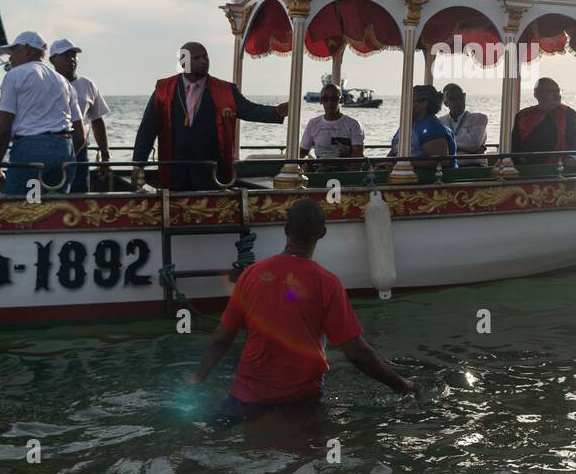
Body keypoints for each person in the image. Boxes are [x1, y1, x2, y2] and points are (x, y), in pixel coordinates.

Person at [189, 198, 414, 424]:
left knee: (213, 436)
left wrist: (199, 377)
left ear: (286, 230)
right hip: (300, 400)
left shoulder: (251, 275)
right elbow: (356, 352)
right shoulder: (327, 283)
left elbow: (221, 338)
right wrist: (400, 384)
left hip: (246, 397)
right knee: (304, 454)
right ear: (323, 233)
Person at [132, 41, 289, 190]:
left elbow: (248, 109)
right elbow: (148, 129)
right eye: (197, 58)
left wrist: (275, 112)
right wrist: (138, 164)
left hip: (213, 174)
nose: (203, 61)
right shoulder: (164, 90)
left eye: (205, 56)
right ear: (183, 62)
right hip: (174, 173)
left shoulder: (225, 90)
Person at [0, 31, 85, 196]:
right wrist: (64, 156)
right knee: (57, 211)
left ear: (26, 49)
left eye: (13, 52)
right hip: (64, 152)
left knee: (21, 208)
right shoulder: (64, 82)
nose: (10, 58)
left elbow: (3, 129)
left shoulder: (15, 76)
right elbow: (80, 135)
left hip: (30, 153)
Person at [50, 38, 111, 192]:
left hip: (80, 152)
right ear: (52, 59)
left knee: (80, 195)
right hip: (50, 149)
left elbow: (97, 121)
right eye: (66, 55)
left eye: (74, 55)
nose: (71, 59)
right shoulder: (45, 84)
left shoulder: (88, 85)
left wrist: (105, 156)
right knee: (45, 196)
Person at [510, 77, 576, 165]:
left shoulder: (567, 113)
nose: (557, 96)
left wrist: (573, 157)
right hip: (527, 167)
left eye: (558, 91)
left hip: (560, 166)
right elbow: (515, 146)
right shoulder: (523, 115)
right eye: (551, 92)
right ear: (537, 94)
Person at [388, 84, 456, 168]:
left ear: (424, 104)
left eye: (411, 100)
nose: (406, 104)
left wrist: (401, 164)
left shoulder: (432, 127)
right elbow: (394, 150)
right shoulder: (409, 124)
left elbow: (441, 161)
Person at [299, 82, 364, 164]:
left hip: (345, 171)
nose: (330, 102)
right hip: (320, 171)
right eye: (325, 99)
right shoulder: (313, 123)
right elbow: (303, 152)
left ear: (341, 100)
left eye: (334, 98)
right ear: (321, 101)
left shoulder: (353, 124)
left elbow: (357, 157)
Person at [439, 83, 489, 161]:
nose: (458, 101)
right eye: (452, 99)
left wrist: (447, 144)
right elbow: (437, 146)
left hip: (475, 166)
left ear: (464, 97)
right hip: (449, 167)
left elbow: (474, 144)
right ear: (445, 103)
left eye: (460, 97)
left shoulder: (479, 118)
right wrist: (468, 149)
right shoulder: (441, 122)